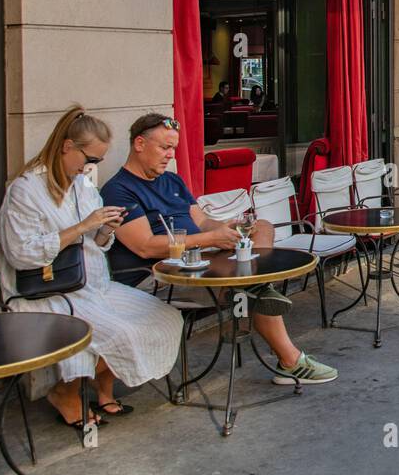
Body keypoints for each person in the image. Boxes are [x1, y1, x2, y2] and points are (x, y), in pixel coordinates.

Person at [101, 114, 337, 386]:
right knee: (249, 288)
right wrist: (210, 238)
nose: (169, 155)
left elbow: (200, 221)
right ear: (139, 144)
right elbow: (144, 247)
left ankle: (257, 285)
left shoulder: (172, 181)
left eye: (173, 149)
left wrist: (227, 228)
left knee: (261, 226)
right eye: (164, 147)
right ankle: (289, 357)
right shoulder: (118, 191)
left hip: (201, 261)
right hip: (161, 276)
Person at [0, 106, 183, 428]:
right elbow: (20, 254)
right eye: (91, 160)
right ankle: (65, 393)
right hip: (47, 290)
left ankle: (101, 388)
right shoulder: (26, 190)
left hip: (91, 283)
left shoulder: (80, 185)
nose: (92, 168)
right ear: (68, 146)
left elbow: (96, 244)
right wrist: (82, 227)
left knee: (164, 316)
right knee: (121, 331)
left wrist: (106, 228)